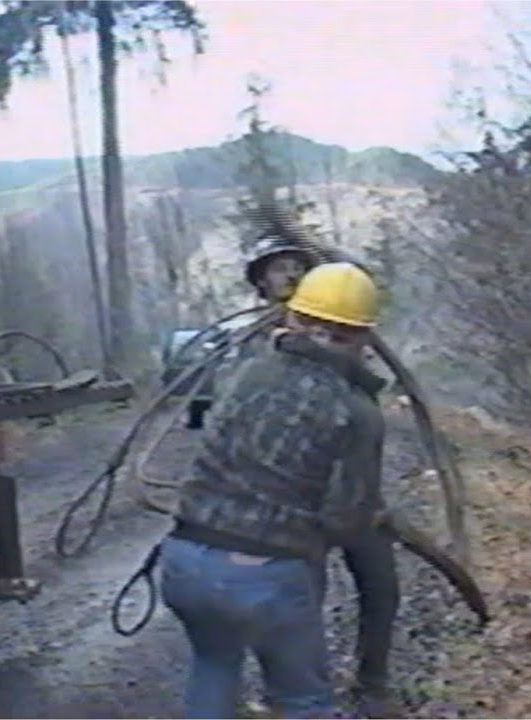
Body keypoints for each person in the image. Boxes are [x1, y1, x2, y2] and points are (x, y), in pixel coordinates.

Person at [162, 262, 387, 719]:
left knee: (214, 665)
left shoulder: (243, 372)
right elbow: (347, 518)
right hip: (265, 575)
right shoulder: (356, 409)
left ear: (290, 316)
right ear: (363, 337)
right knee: (303, 701)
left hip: (184, 561)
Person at [243, 240, 403, 718]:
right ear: (261, 282)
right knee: (293, 602)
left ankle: (372, 686)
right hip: (293, 504)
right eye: (278, 269)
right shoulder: (257, 345)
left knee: (382, 587)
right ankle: (288, 695)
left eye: (297, 266)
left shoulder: (340, 326)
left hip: (357, 495)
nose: (289, 275)